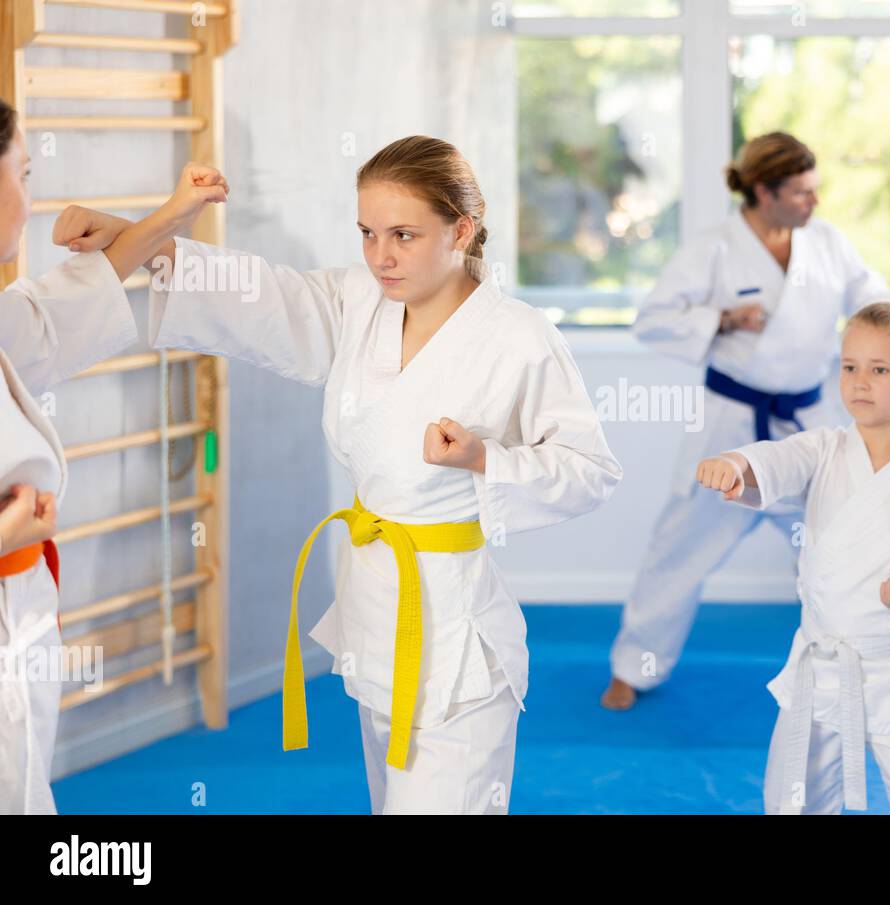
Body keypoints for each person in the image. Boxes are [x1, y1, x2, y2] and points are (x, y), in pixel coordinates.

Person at [83, 136, 622, 812]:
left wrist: (484, 457)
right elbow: (264, 295)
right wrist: (140, 242)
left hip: (455, 644)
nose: (380, 256)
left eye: (403, 234)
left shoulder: (521, 336)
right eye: (367, 233)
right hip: (374, 609)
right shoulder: (361, 301)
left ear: (463, 229)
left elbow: (589, 470)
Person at [603, 132, 890, 710]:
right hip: (730, 421)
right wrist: (723, 318)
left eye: (815, 191)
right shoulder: (712, 249)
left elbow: (872, 305)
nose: (814, 202)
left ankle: (871, 667)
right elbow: (652, 319)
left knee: (845, 539)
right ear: (764, 191)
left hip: (808, 420)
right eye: (801, 192)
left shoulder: (828, 243)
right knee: (680, 547)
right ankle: (633, 667)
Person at [698, 301, 890, 813]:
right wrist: (736, 462)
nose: (859, 382)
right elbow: (778, 459)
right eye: (850, 367)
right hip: (821, 663)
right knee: (791, 803)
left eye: (879, 370)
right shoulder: (825, 449)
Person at [0, 98, 141, 813]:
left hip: (22, 601)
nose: (30, 196)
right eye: (23, 171)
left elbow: (61, 311)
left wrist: (169, 220)